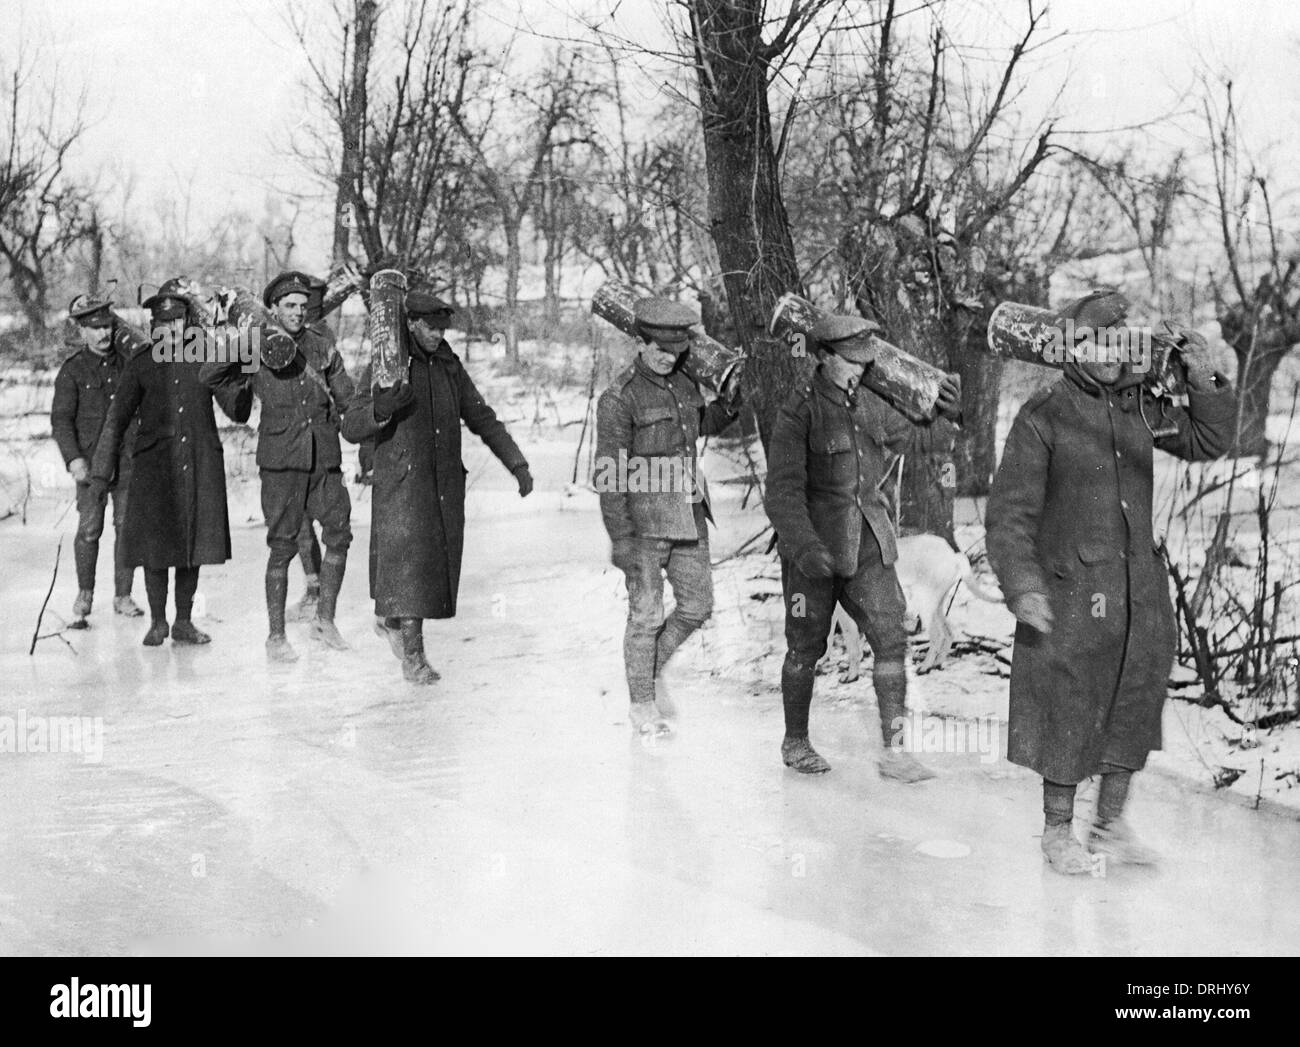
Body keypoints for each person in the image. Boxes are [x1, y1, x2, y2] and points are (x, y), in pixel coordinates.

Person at [986, 290, 1236, 873]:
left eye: (1117, 340)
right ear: (1073, 347)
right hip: (1070, 591)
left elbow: (1207, 442)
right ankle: (1056, 833)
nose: (1108, 353)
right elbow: (1009, 514)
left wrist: (1202, 380)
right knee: (1071, 708)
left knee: (1134, 699)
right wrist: (1021, 586)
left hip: (1137, 589)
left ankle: (1110, 824)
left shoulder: (1139, 406)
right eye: (1095, 342)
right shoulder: (1044, 414)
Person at [764, 314, 961, 779]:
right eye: (851, 361)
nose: (859, 369)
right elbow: (783, 492)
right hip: (813, 550)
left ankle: (893, 752)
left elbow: (921, 439)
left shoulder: (870, 402)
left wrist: (949, 416)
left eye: (864, 361)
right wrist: (804, 547)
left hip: (869, 542)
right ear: (825, 357)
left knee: (892, 639)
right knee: (805, 648)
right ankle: (795, 742)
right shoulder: (799, 410)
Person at [342, 289, 533, 683]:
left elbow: (481, 415)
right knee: (410, 569)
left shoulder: (447, 363)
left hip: (442, 480)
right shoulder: (388, 361)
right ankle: (414, 655)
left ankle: (393, 620)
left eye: (442, 328)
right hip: (402, 483)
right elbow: (352, 424)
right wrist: (381, 409)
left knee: (427, 571)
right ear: (411, 323)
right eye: (430, 327)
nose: (437, 335)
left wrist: (516, 462)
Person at [595, 298, 740, 735]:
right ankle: (642, 705)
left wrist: (730, 406)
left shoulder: (684, 383)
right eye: (659, 347)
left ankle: (648, 670)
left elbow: (699, 423)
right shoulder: (618, 398)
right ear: (639, 342)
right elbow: (609, 473)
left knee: (698, 605)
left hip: (688, 512)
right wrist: (620, 537)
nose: (667, 357)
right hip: (643, 523)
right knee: (646, 616)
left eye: (675, 350)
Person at [201, 271, 356, 662]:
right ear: (273, 309)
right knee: (282, 546)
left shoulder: (322, 345)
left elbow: (346, 397)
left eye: (303, 306)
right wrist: (244, 342)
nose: (298, 313)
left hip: (324, 457)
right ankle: (275, 637)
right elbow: (208, 375)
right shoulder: (256, 344)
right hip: (282, 460)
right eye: (289, 306)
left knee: (339, 534)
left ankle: (325, 619)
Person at [89, 277, 234, 646]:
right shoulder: (141, 362)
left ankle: (183, 621)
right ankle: (158, 622)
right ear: (154, 326)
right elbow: (117, 417)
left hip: (199, 463)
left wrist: (241, 375)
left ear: (187, 324)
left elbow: (237, 409)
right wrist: (100, 473)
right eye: (164, 324)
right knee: (156, 550)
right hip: (155, 469)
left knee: (190, 547)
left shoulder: (206, 356)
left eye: (179, 322)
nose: (172, 329)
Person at [51, 293, 144, 626]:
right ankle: (85, 592)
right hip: (90, 465)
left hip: (129, 461)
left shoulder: (130, 364)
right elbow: (61, 419)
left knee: (126, 529)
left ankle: (123, 595)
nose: (103, 334)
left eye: (107, 325)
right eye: (95, 328)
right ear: (82, 332)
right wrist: (73, 458)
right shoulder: (72, 371)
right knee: (90, 529)